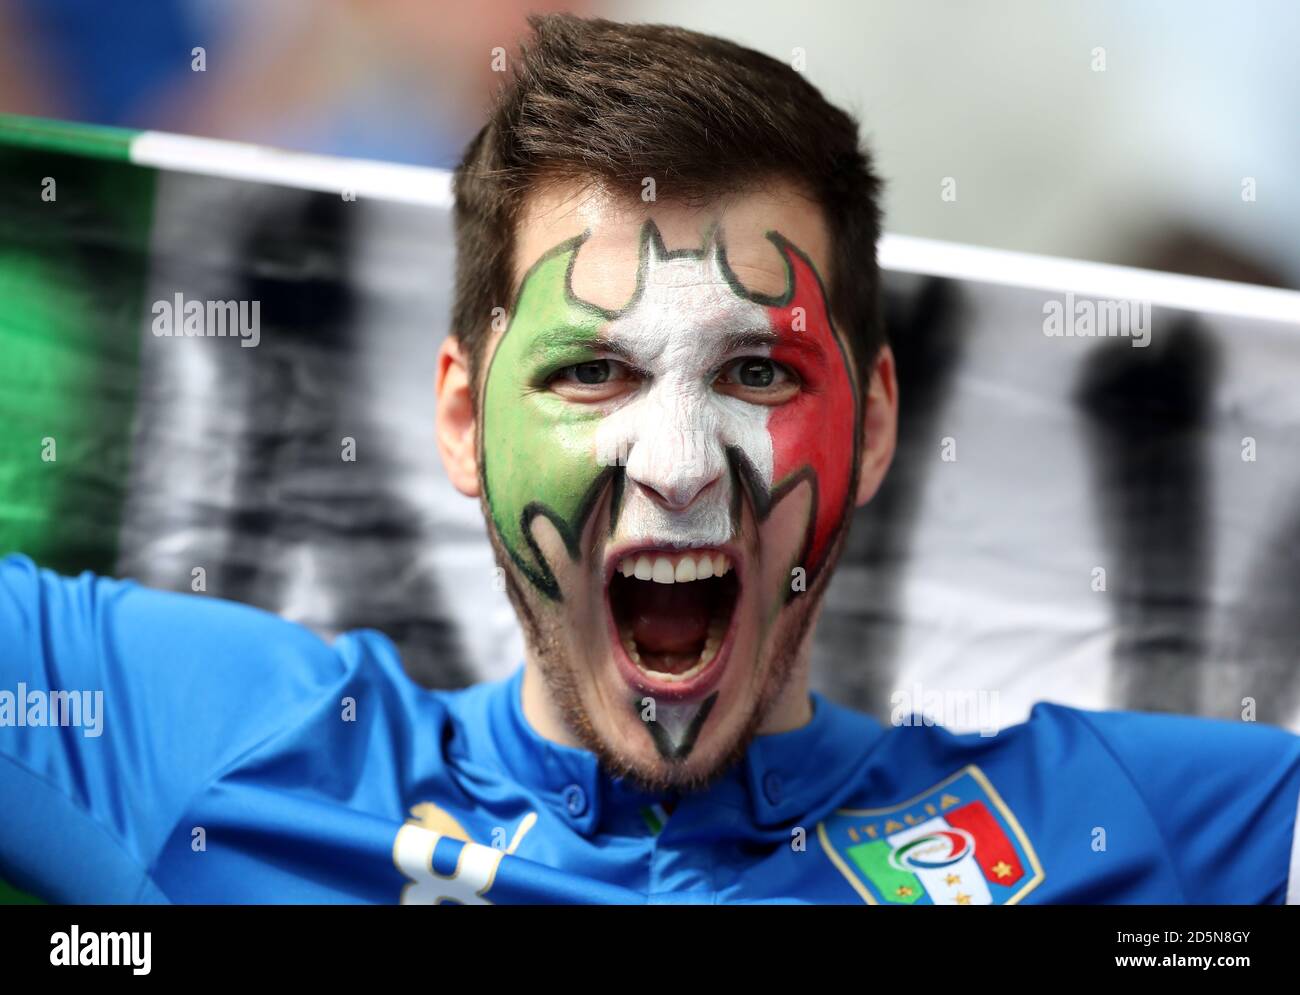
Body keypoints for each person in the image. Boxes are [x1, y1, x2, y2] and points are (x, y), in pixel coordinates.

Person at [2, 13, 1297, 906]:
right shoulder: (230, 749)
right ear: (461, 420)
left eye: (758, 373)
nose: (678, 465)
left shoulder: (1120, 826)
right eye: (592, 372)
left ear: (881, 418)